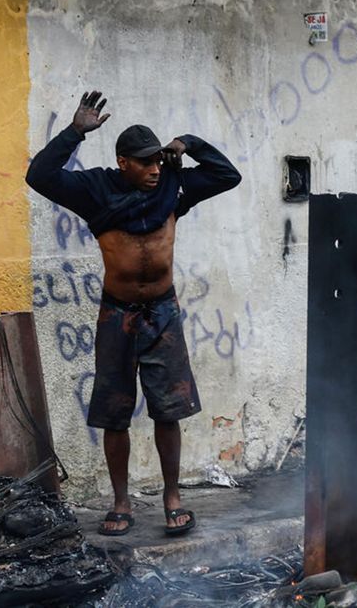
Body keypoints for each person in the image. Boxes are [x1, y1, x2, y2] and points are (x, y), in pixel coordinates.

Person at [26, 91, 241, 536]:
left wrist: (190, 143)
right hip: (117, 314)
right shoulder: (95, 189)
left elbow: (227, 175)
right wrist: (74, 132)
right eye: (145, 162)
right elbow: (39, 175)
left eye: (157, 159)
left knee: (168, 410)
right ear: (123, 161)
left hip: (162, 312)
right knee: (114, 411)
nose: (155, 168)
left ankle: (172, 497)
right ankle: (121, 501)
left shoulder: (173, 186)